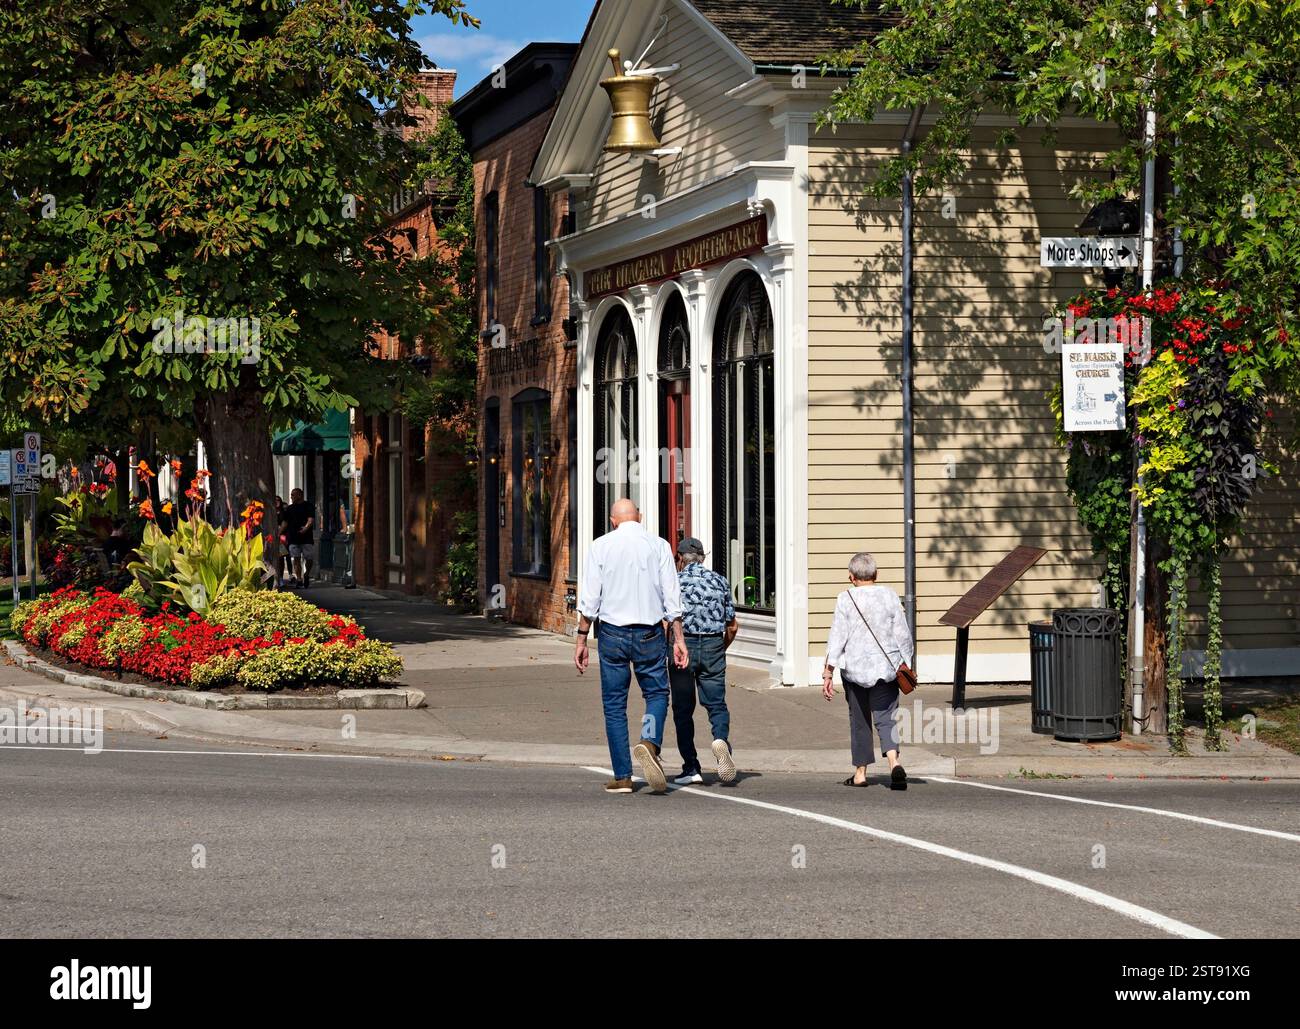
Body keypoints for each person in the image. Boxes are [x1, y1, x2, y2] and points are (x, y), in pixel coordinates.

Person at [575, 499, 689, 795]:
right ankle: (649, 741)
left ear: (613, 520)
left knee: (614, 705)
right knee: (657, 693)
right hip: (650, 632)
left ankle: (622, 776)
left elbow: (590, 598)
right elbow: (671, 597)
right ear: (640, 517)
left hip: (612, 633)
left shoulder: (600, 546)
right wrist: (679, 639)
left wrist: (581, 639)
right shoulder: (659, 545)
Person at [822, 551, 913, 790]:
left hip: (854, 669)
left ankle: (860, 773)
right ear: (876, 574)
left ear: (851, 577)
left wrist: (828, 671)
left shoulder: (845, 598)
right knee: (886, 718)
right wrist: (908, 663)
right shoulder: (889, 595)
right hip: (886, 668)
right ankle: (894, 763)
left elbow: (837, 636)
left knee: (859, 719)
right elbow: (902, 633)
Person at [669, 537, 739, 785]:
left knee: (682, 709)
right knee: (716, 704)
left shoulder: (674, 582)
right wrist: (721, 646)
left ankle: (691, 767)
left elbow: (666, 620)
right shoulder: (719, 581)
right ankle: (720, 740)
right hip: (713, 644)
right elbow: (732, 625)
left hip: (682, 646)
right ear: (702, 558)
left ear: (680, 558)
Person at [280, 488, 315, 587]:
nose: (291, 497)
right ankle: (299, 579)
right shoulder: (289, 509)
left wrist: (305, 528)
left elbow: (311, 519)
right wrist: (278, 532)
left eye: (293, 495)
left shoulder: (308, 506)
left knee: (309, 558)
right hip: (293, 537)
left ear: (299, 495)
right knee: (296, 558)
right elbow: (285, 522)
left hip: (306, 537)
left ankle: (307, 574)